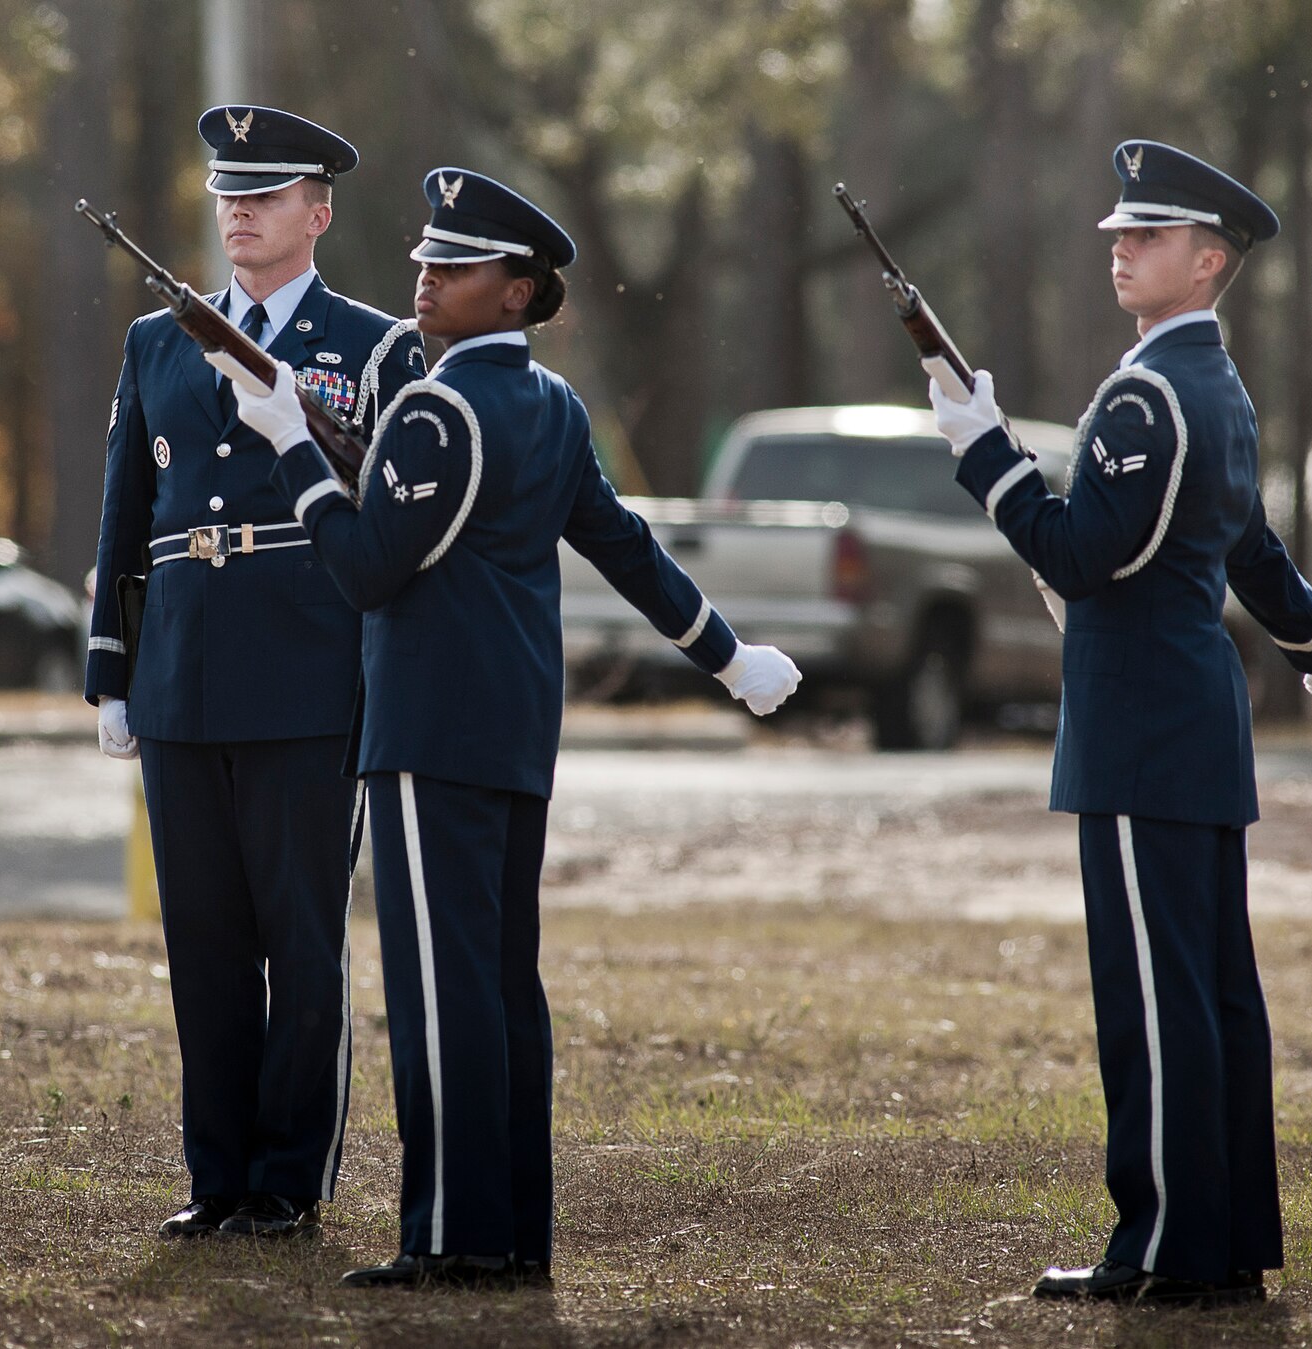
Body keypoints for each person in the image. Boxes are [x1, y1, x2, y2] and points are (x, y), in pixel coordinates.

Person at [222, 167, 802, 1288]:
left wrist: (290, 441)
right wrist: (724, 653)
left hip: (426, 731)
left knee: (443, 990)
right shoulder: (552, 405)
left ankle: (450, 1236)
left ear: (515, 291)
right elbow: (621, 544)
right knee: (496, 986)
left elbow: (361, 569)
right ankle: (512, 1228)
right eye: (425, 259)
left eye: (455, 265)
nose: (424, 278)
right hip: (508, 730)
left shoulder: (439, 407)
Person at [927, 140, 1312, 1304]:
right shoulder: (1215, 388)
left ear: (1206, 260)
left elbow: (1078, 554)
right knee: (1212, 990)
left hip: (1136, 725)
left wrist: (982, 453)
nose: (1119, 247)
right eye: (1118, 232)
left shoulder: (1147, 392)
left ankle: (1164, 1244)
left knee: (1155, 998)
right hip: (1191, 720)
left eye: (1148, 235)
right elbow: (1250, 546)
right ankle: (1215, 1241)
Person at [84, 106, 426, 1240]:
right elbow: (127, 511)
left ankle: (288, 1177)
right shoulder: (156, 341)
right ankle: (217, 1170)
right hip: (183, 670)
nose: (241, 208)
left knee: (299, 934)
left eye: (268, 193)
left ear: (317, 213)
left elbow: (392, 526)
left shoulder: (374, 347)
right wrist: (111, 664)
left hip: (306, 672)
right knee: (206, 941)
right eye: (229, 191)